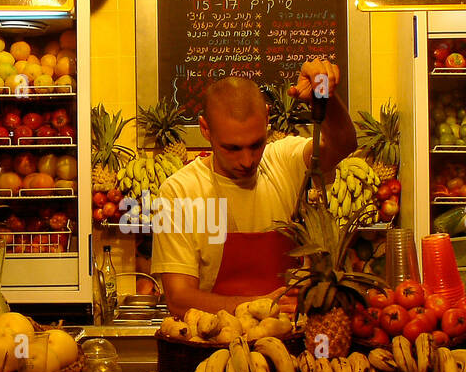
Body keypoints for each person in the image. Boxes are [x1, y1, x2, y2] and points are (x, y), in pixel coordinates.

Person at [151, 58, 356, 318]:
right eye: (232, 148)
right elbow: (179, 299)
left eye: (256, 144)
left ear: (267, 117)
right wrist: (260, 306)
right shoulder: (178, 192)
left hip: (286, 338)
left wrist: (324, 96)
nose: (247, 161)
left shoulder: (283, 161)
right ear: (205, 129)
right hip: (213, 344)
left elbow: (343, 144)